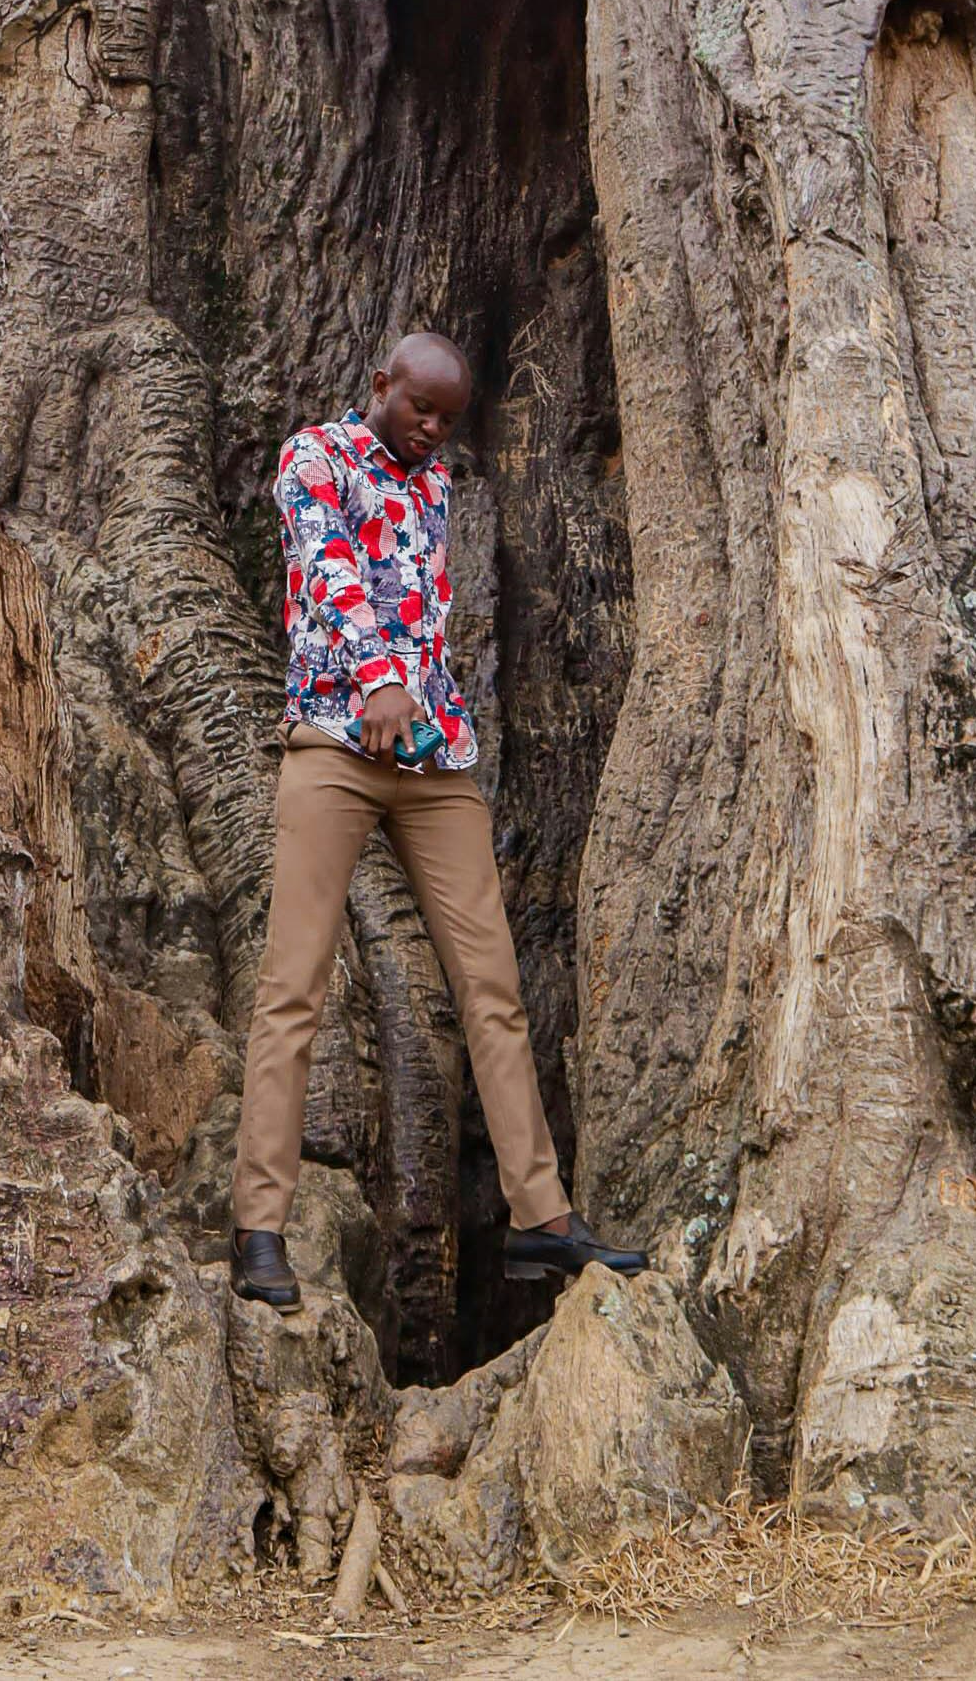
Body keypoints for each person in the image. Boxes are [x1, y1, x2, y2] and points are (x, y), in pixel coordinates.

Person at [230, 330, 648, 1311]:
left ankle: (540, 1219)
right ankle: (258, 1226)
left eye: (448, 419)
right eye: (420, 408)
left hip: (434, 763)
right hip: (335, 747)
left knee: (492, 986)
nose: (431, 429)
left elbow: (424, 618)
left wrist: (421, 702)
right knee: (293, 986)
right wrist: (377, 679)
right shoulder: (314, 457)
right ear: (381, 383)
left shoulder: (435, 487)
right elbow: (330, 572)